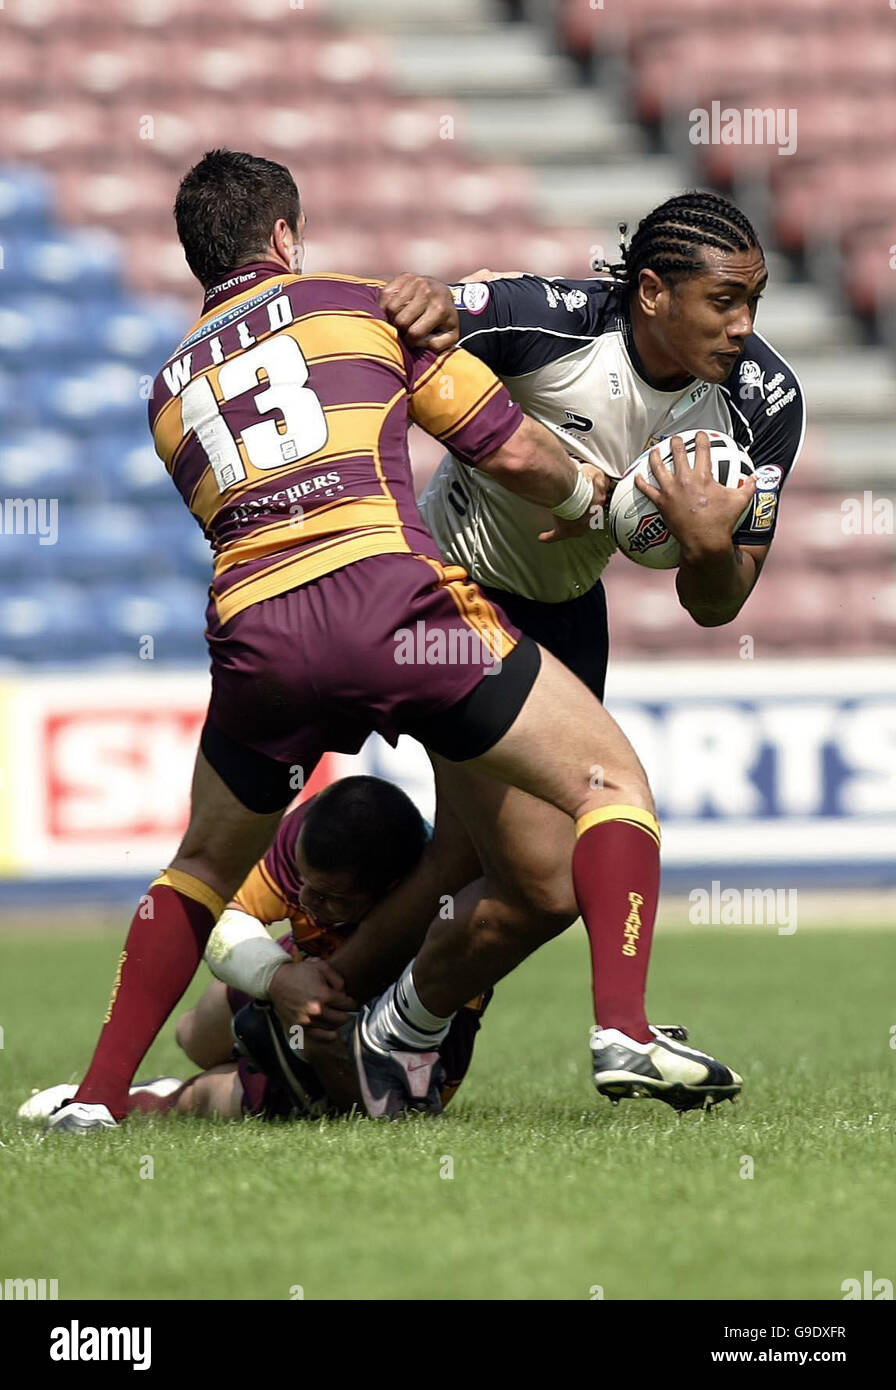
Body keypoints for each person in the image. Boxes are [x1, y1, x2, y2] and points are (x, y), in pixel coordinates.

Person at [50, 149, 729, 1132]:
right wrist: (600, 504)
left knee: (198, 870)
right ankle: (620, 1026)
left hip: (257, 635)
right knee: (607, 786)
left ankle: (98, 1100)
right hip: (395, 611)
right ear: (284, 236)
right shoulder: (354, 303)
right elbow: (503, 442)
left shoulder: (164, 391)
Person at [258, 192, 801, 1117]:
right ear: (655, 293)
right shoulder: (547, 321)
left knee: (478, 872)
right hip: (451, 598)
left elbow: (718, 606)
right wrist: (428, 302)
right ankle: (426, 1031)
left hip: (565, 610)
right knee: (549, 878)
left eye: (755, 300)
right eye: (724, 302)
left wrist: (710, 544)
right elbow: (408, 327)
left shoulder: (763, 399)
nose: (744, 326)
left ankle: (332, 1020)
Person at [23, 777, 489, 1123]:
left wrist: (336, 1045)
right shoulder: (307, 838)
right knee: (195, 1034)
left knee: (216, 1101)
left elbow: (442, 1033)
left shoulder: (446, 910)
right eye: (302, 883)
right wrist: (278, 978)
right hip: (304, 973)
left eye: (328, 898)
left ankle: (160, 1100)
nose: (304, 901)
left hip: (376, 1034)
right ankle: (217, 1059)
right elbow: (222, 916)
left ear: (390, 891)